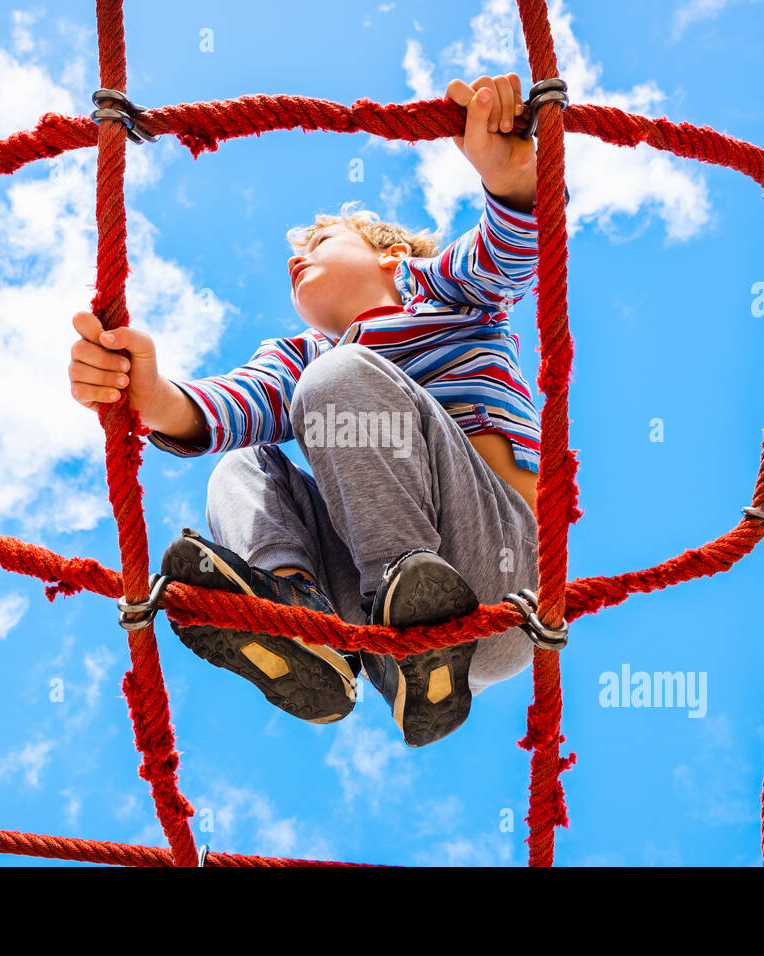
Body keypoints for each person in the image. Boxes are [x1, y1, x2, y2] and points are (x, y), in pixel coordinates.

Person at [68, 74, 564, 746]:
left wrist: (512, 180)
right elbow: (227, 409)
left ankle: (407, 594)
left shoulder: (445, 294)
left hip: (507, 577)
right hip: (395, 644)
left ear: (393, 260)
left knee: (336, 379)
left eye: (320, 243)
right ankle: (299, 616)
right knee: (245, 462)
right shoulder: (303, 359)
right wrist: (147, 396)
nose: (298, 257)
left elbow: (509, 252)